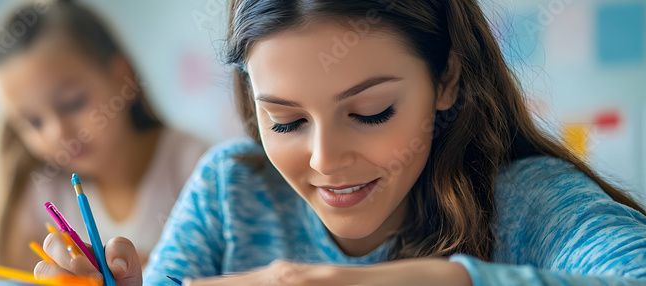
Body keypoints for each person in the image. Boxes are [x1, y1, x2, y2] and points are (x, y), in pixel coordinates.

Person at [33, 0, 646, 285]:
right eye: (287, 122)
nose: (325, 162)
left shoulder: (526, 202)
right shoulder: (230, 190)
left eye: (372, 112)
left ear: (447, 77)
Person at [0, 0, 209, 270]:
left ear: (122, 78)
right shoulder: (42, 191)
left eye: (72, 103)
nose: (58, 133)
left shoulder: (196, 166)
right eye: (33, 122)